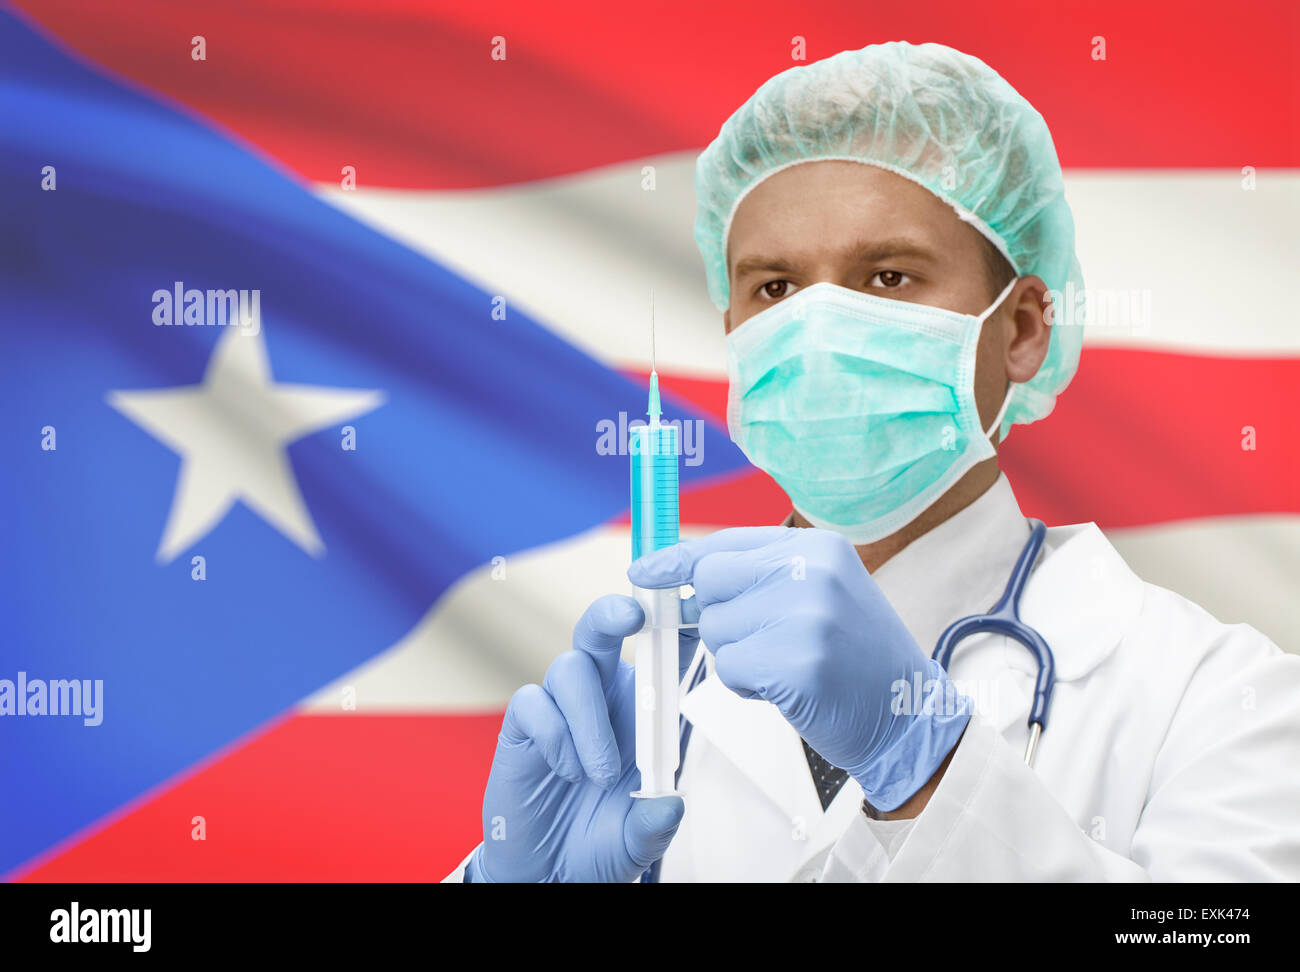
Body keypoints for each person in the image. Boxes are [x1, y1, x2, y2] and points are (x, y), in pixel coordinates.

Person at [444, 41, 1300, 882]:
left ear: (1025, 328)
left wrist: (925, 768)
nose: (818, 329)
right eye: (774, 287)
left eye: (888, 277)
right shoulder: (651, 711)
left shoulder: (1221, 698)